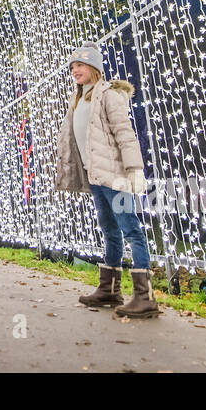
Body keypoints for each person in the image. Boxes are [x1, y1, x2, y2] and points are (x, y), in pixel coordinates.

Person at [52, 43, 159, 318]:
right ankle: (110, 290)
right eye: (72, 66)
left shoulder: (108, 95)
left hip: (117, 177)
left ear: (94, 68)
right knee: (109, 231)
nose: (75, 69)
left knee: (130, 229)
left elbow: (124, 133)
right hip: (96, 176)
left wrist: (135, 169)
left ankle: (144, 297)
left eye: (80, 65)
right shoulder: (77, 100)